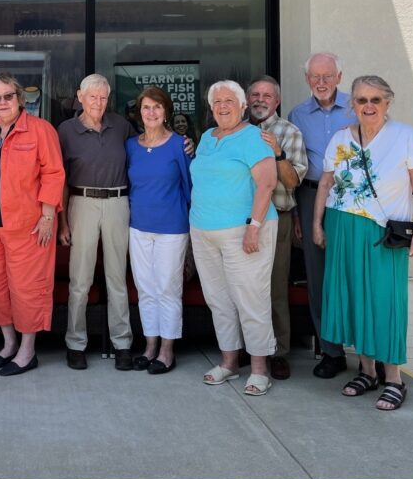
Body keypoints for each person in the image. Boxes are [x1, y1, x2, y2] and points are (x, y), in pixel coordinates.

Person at [313, 75, 413, 412]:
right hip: (343, 226)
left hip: (383, 232)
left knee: (385, 301)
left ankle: (394, 378)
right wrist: (317, 224)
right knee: (354, 299)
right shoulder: (340, 138)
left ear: (387, 103)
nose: (368, 106)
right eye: (362, 100)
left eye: (375, 100)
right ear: (352, 104)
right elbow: (326, 183)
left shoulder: (405, 136)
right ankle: (366, 372)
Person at [190, 80, 278, 396]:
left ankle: (259, 369)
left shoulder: (254, 137)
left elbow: (267, 184)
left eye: (230, 100)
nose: (223, 106)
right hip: (203, 231)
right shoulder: (206, 138)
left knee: (250, 298)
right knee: (219, 299)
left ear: (242, 106)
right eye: (217, 101)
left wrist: (254, 226)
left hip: (244, 231)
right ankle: (229, 362)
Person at [0, 73, 65, 376]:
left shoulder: (41, 130)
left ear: (19, 99)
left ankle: (28, 351)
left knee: (27, 289)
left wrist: (48, 216)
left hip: (29, 226)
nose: (2, 102)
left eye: (8, 96)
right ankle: (9, 344)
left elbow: (54, 173)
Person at [57, 74, 134, 371]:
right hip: (81, 202)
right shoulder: (66, 130)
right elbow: (58, 178)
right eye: (92, 97)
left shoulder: (121, 126)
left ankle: (122, 343)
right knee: (80, 280)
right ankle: (75, 343)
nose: (98, 103)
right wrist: (62, 221)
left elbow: (146, 149)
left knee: (117, 278)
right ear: (80, 96)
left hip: (117, 202)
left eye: (103, 97)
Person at [288, 52, 357, 379]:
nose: (321, 82)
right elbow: (295, 165)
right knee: (318, 279)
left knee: (354, 276)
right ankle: (331, 352)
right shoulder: (298, 115)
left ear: (339, 77)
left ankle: (367, 353)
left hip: (353, 201)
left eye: (327, 76)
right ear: (307, 80)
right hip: (311, 193)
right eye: (315, 77)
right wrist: (300, 215)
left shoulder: (359, 108)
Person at [125, 86, 192, 374]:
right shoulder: (130, 145)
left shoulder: (180, 144)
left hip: (171, 228)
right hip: (138, 226)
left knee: (168, 287)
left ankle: (166, 350)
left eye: (157, 107)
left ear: (166, 112)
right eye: (146, 107)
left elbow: (190, 187)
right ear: (139, 112)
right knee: (145, 288)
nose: (151, 112)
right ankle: (150, 345)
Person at [247, 76, 308, 381]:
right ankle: (251, 349)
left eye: (266, 95)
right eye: (255, 94)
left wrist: (277, 153)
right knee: (245, 288)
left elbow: (293, 181)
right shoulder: (238, 131)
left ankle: (278, 352)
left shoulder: (289, 132)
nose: (260, 99)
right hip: (241, 221)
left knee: (274, 287)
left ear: (277, 101)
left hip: (277, 218)